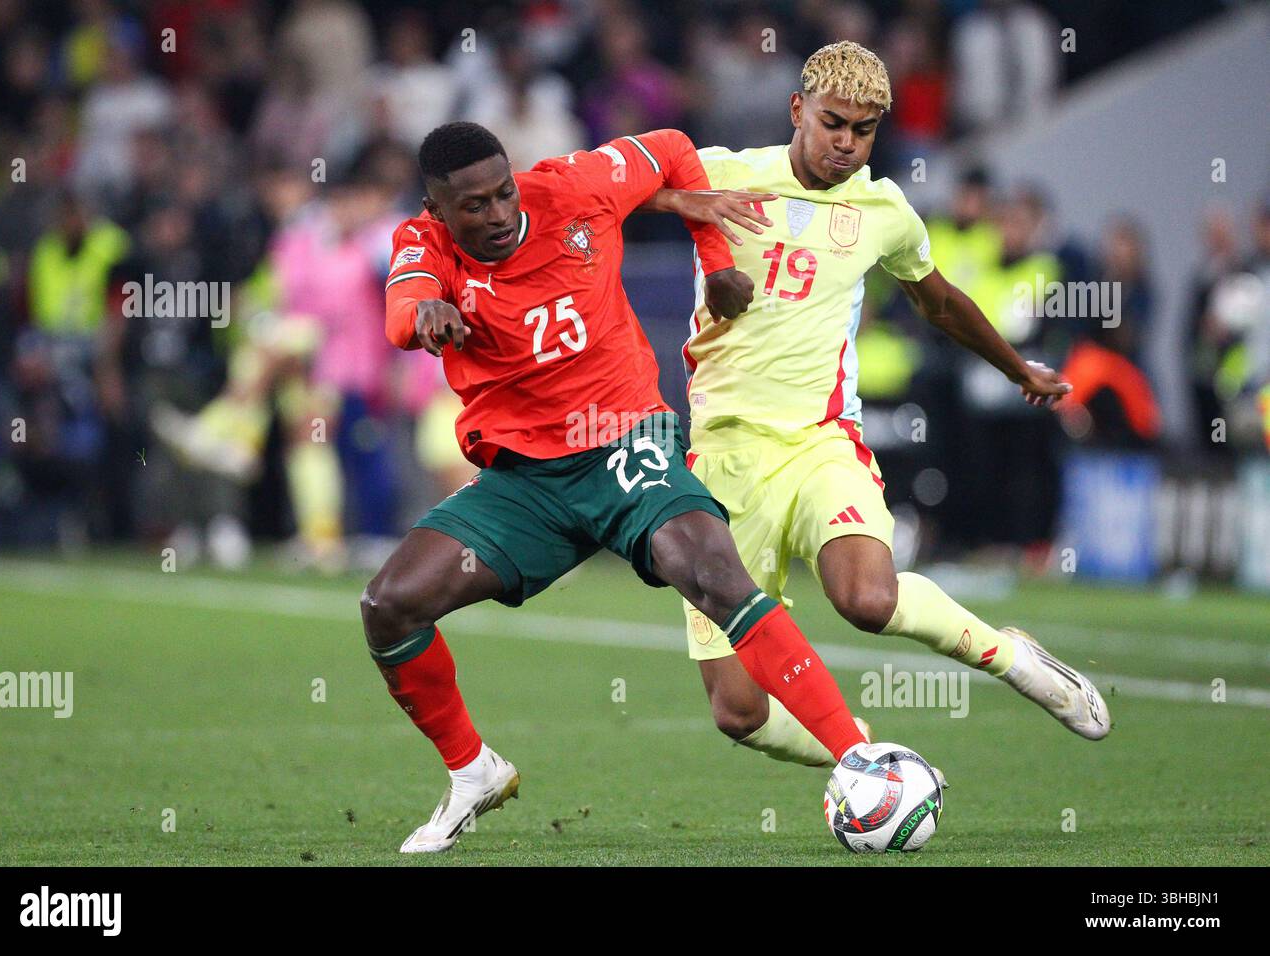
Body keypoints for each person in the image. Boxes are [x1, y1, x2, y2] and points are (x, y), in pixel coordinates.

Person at [364, 121, 902, 852]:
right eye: (474, 207)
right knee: (389, 605)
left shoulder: (576, 186)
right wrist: (424, 314)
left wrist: (714, 257)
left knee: (711, 569)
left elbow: (676, 147)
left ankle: (856, 756)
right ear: (438, 208)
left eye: (503, 194)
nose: (496, 215)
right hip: (529, 481)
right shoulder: (422, 245)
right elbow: (405, 306)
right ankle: (474, 771)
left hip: (624, 438)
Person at [644, 42, 1109, 770]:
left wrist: (1022, 369)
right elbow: (603, 193)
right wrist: (677, 197)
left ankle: (1010, 658)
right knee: (739, 711)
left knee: (866, 597)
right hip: (722, 464)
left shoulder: (882, 208)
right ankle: (868, 761)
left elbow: (942, 303)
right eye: (832, 123)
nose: (846, 143)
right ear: (797, 110)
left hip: (821, 442)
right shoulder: (725, 172)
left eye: (864, 131)